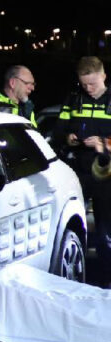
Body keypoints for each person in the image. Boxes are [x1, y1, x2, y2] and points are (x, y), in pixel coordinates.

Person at [53, 56, 111, 287]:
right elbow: (58, 130)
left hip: (106, 175)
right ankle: (70, 277)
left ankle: (107, 281)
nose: (89, 89)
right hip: (77, 172)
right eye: (84, 84)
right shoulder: (74, 99)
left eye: (93, 84)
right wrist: (68, 137)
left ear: (104, 76)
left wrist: (104, 144)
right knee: (68, 227)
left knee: (106, 232)